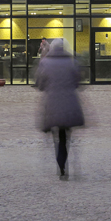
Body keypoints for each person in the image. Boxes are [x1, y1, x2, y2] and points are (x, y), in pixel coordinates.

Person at [33, 38, 85, 179]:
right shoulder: (71, 62)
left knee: (56, 135)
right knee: (65, 136)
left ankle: (61, 165)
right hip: (69, 104)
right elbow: (78, 82)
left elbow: (41, 85)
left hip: (52, 104)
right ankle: (64, 163)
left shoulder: (45, 63)